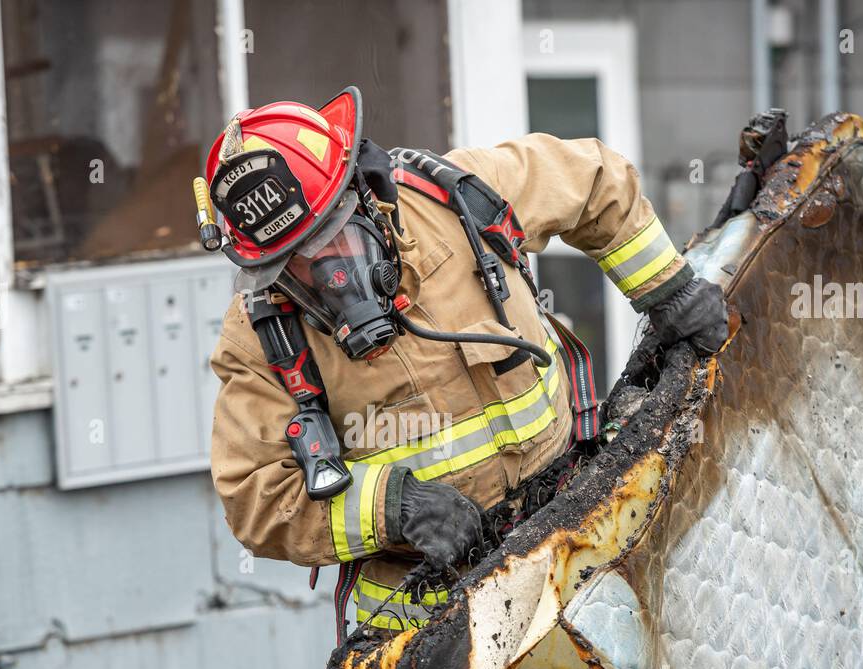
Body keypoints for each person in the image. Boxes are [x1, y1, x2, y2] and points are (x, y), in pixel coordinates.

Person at [201, 87, 726, 639]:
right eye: (296, 265)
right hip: (433, 624)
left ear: (366, 190)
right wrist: (392, 507)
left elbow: (594, 181)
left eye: (333, 239)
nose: (328, 275)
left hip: (582, 543)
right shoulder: (259, 337)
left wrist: (667, 288)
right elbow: (254, 496)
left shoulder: (453, 196)